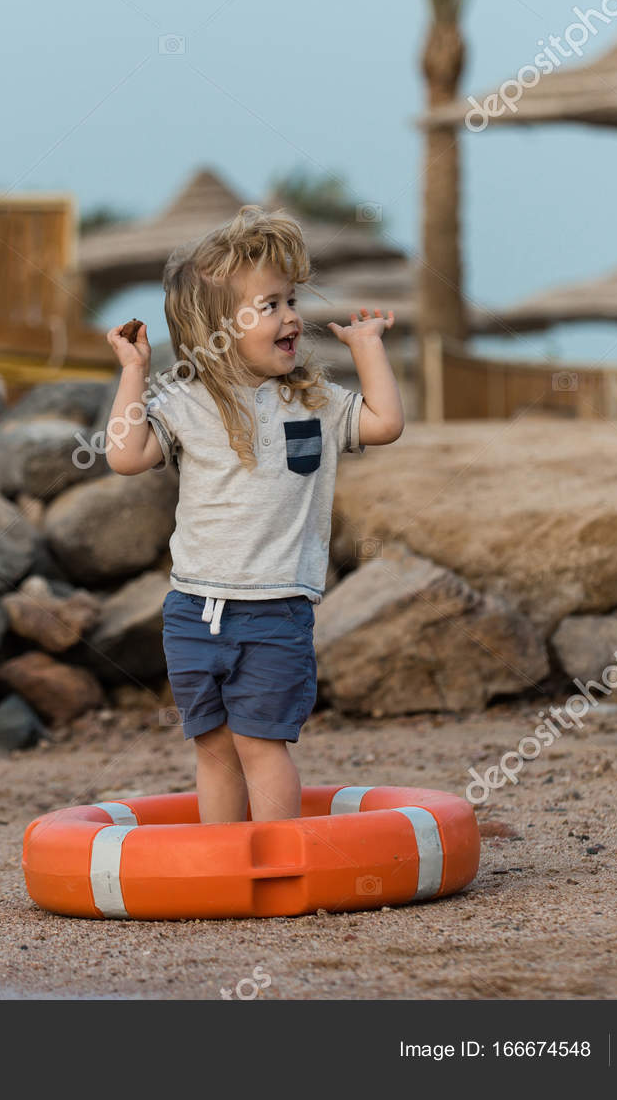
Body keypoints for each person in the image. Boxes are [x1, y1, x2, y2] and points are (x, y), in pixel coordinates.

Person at [103, 205, 404, 823]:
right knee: (214, 749)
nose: (292, 316)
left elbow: (385, 421)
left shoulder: (312, 402)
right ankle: (226, 866)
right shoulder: (186, 401)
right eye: (270, 305)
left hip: (275, 610)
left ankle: (280, 861)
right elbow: (125, 455)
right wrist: (134, 372)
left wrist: (368, 347)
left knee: (262, 746)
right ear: (216, 326)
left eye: (290, 300)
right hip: (192, 610)